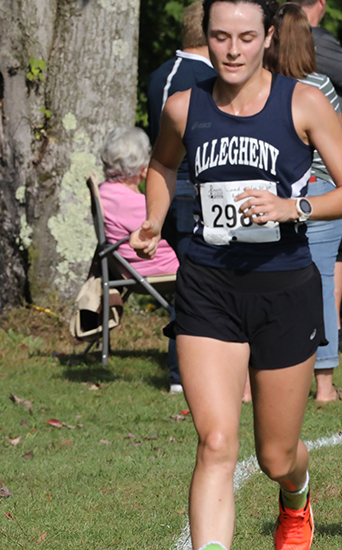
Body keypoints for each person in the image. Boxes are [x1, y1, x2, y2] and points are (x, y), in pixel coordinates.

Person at [129, 0, 342, 548]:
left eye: (245, 37)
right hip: (208, 286)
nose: (232, 50)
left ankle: (297, 494)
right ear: (205, 38)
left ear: (267, 37)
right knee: (215, 442)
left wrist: (294, 208)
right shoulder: (186, 107)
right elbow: (164, 164)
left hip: (284, 287)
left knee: (275, 455)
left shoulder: (303, 101)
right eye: (219, 37)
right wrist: (153, 218)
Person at [263, 2, 342, 403]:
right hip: (324, 193)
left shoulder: (262, 88)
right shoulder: (321, 87)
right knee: (323, 284)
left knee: (261, 281)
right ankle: (325, 386)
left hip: (275, 195)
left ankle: (251, 382)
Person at [287, 0, 342, 353]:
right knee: (324, 273)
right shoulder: (318, 75)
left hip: (290, 190)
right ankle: (325, 365)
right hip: (326, 184)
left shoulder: (267, 86)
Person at [146, 0, 216, 394]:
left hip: (175, 193)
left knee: (188, 279)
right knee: (195, 281)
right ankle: (181, 372)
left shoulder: (162, 74)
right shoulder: (202, 80)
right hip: (192, 192)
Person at [98, 126, 180, 278]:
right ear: (142, 165)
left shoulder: (105, 190)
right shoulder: (129, 202)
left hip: (133, 266)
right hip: (155, 266)